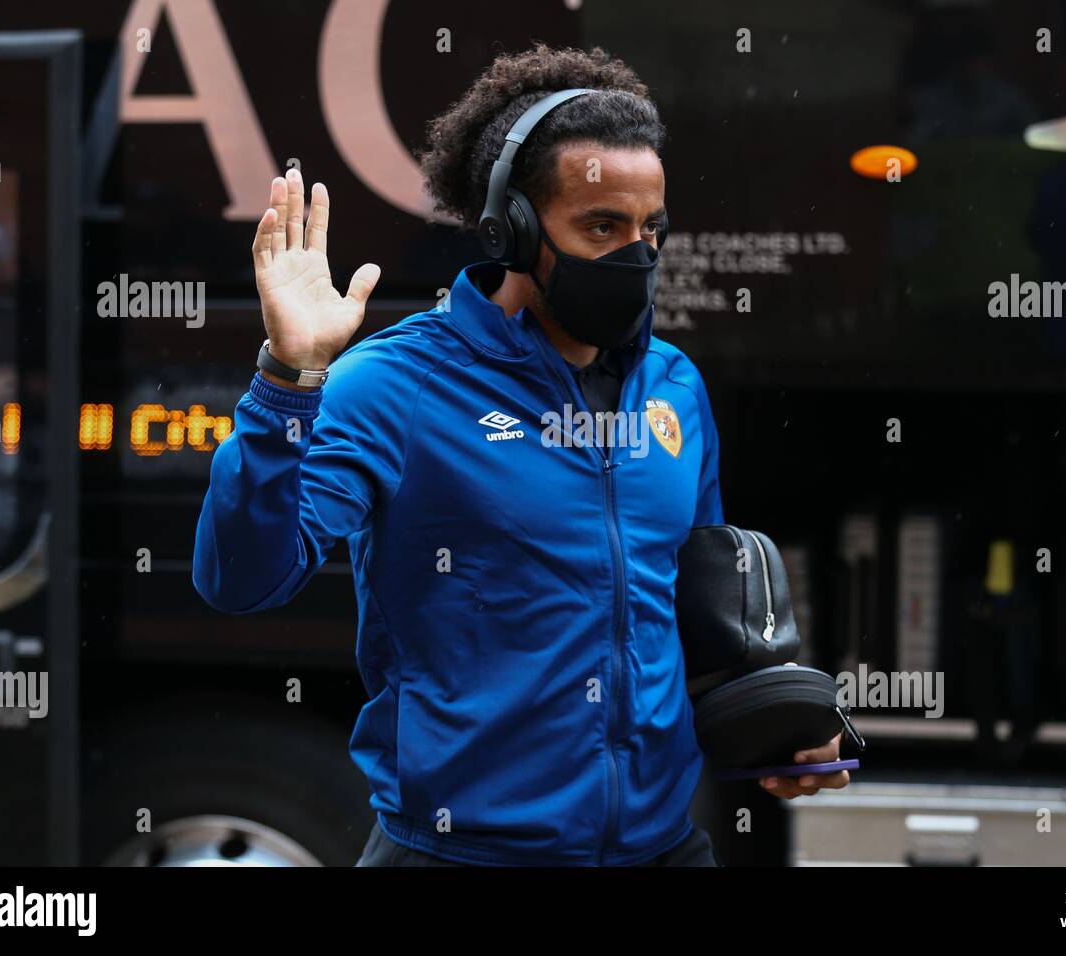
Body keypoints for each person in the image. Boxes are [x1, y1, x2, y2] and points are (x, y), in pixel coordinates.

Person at [192, 43, 847, 868]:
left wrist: (775, 730)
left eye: (653, 228)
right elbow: (242, 578)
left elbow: (696, 604)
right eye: (602, 227)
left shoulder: (674, 386)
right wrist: (289, 377)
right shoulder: (394, 385)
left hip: (661, 850)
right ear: (514, 229)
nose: (636, 255)